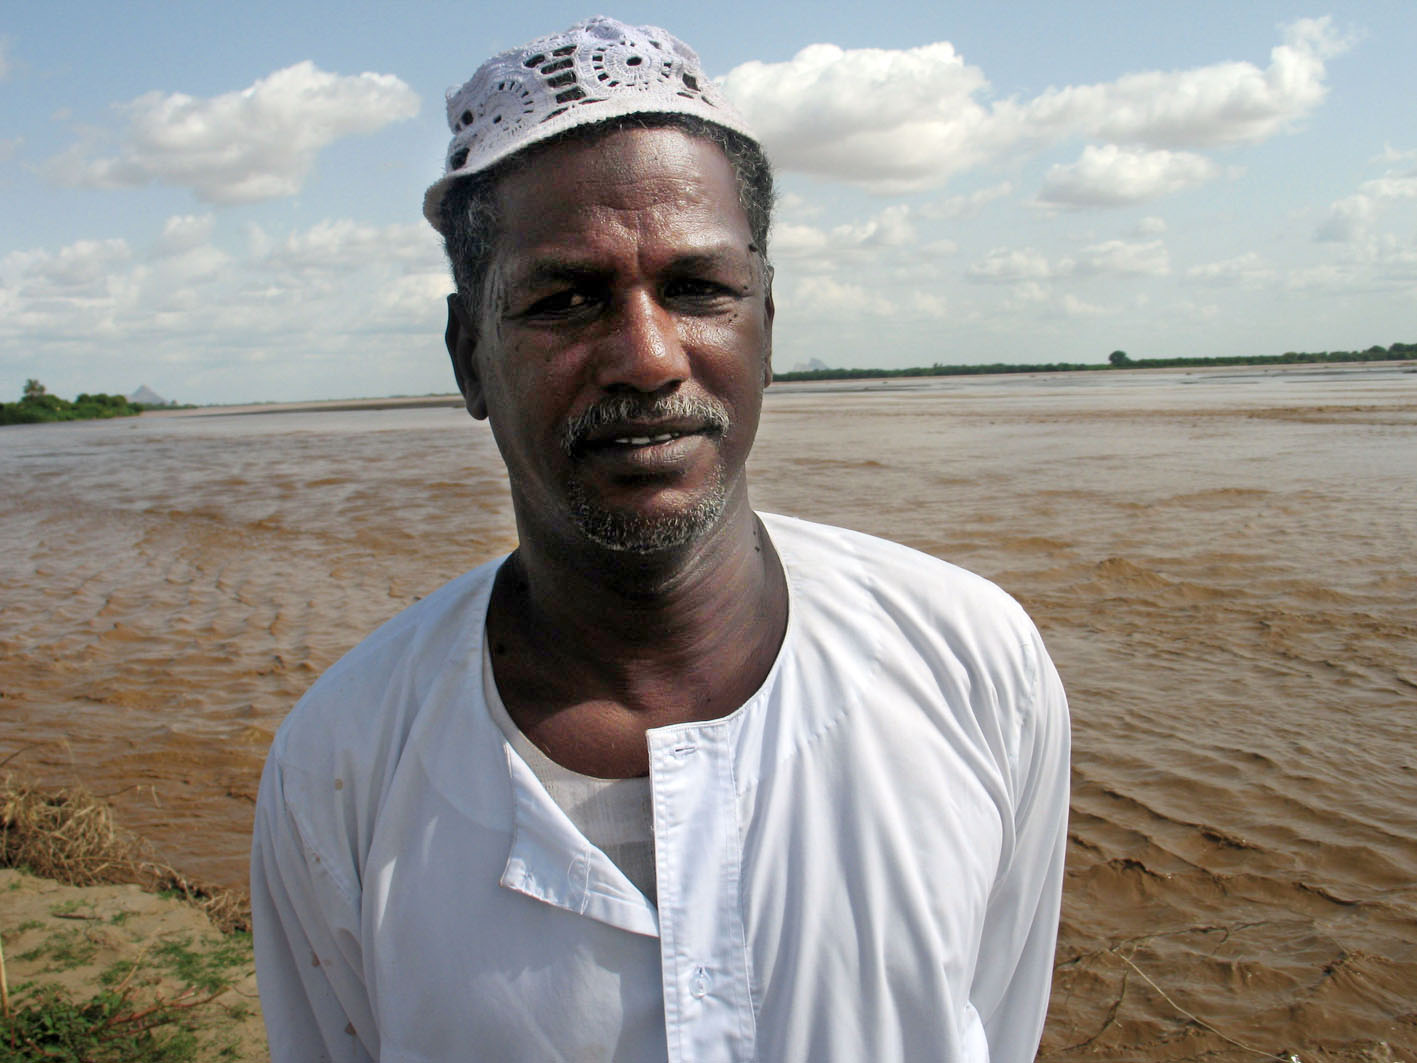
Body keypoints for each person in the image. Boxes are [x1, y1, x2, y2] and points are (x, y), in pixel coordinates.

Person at [251, 16, 1069, 1063]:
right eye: (565, 298)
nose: (645, 357)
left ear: (765, 326)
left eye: (697, 290)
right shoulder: (347, 760)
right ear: (467, 356)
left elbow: (997, 1018)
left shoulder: (969, 662)